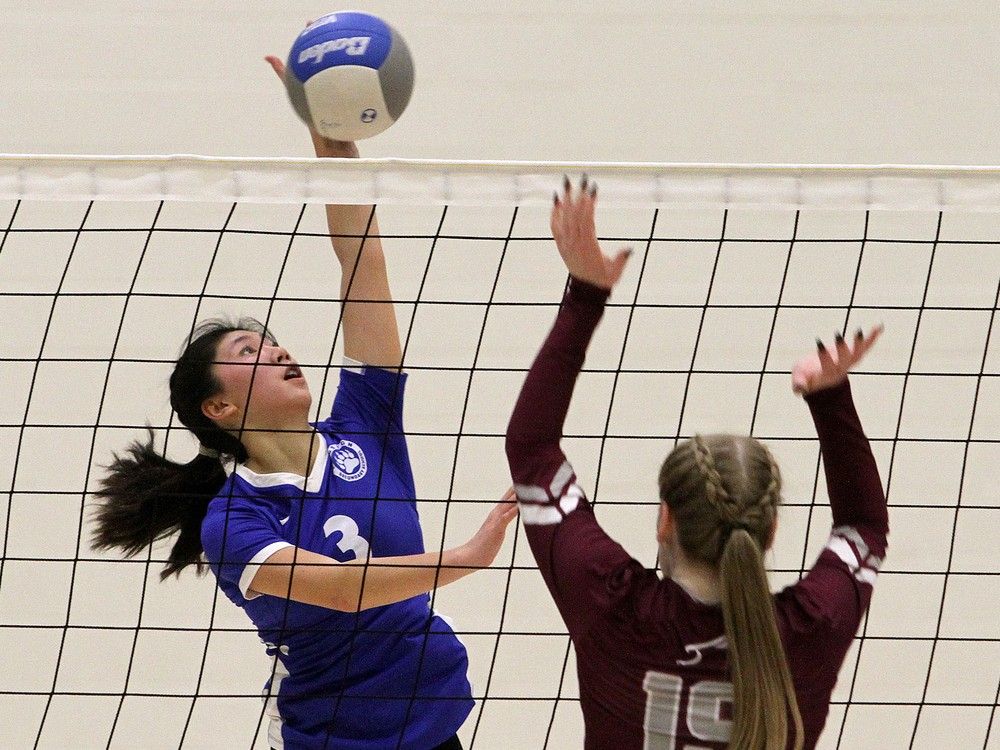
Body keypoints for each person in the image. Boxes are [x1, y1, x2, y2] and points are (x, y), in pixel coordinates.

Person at [91, 56, 517, 750]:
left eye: (274, 342)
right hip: (339, 742)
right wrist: (466, 556)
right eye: (248, 354)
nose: (278, 352)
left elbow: (361, 262)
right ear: (218, 409)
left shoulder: (362, 423)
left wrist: (332, 144)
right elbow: (346, 590)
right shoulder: (233, 522)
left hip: (436, 724)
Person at [504, 178, 888, 750]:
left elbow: (531, 448)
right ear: (771, 529)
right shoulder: (810, 630)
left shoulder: (613, 607)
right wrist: (829, 397)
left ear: (666, 519)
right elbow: (864, 528)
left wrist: (586, 293)